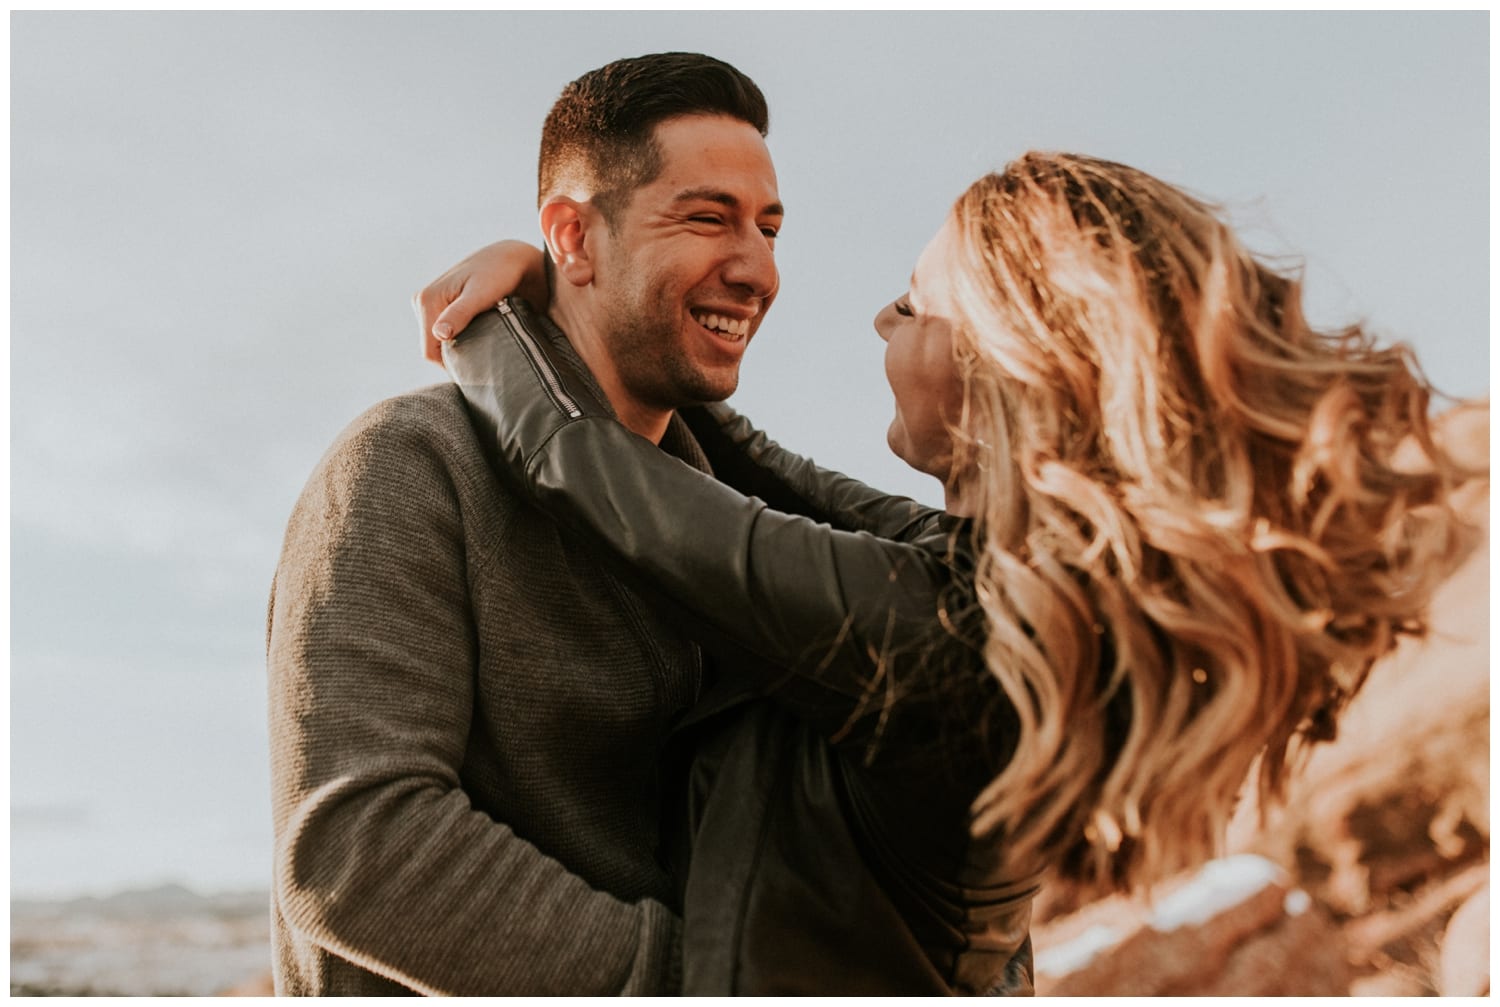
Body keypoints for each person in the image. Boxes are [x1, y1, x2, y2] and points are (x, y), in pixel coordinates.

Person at [426, 152, 1482, 984]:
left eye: (914, 301)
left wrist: (497, 319)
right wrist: (583, 283)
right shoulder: (1015, 589)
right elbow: (772, 480)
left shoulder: (946, 635)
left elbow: (594, 477)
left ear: (1008, 361)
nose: (882, 319)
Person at [266, 52, 785, 995]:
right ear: (572, 241)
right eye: (708, 217)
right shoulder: (408, 467)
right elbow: (358, 852)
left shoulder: (741, 529)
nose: (757, 268)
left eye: (770, 227)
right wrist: (707, 982)